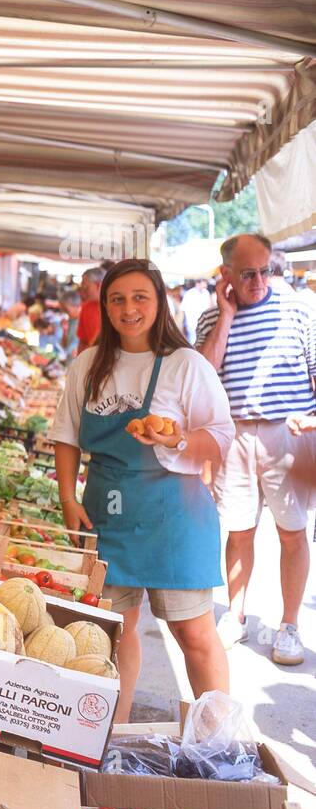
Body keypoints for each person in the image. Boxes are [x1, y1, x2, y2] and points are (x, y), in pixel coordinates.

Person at [52, 259, 234, 724]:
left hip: (175, 516)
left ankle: (217, 740)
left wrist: (174, 438)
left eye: (139, 298)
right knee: (114, 630)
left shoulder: (186, 365)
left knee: (194, 634)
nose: (128, 309)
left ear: (160, 302)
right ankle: (112, 731)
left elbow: (220, 437)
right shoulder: (87, 365)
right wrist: (69, 500)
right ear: (104, 305)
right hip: (106, 514)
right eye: (117, 299)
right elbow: (67, 436)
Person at [197, 233, 316, 666]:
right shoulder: (211, 320)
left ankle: (289, 626)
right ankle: (236, 615)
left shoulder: (300, 311)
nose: (259, 281)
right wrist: (226, 315)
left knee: (292, 531)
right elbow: (204, 378)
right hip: (236, 435)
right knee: (238, 530)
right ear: (225, 275)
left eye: (266, 270)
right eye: (248, 273)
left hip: (290, 433)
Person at [75, 266, 105, 350]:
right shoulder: (85, 307)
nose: (83, 292)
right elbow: (82, 341)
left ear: (99, 285)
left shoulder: (114, 307)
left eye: (86, 287)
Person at [180, 277, 212, 343]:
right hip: (192, 325)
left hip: (204, 324)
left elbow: (209, 307)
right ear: (198, 283)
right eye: (204, 283)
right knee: (193, 343)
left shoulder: (206, 293)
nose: (205, 286)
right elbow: (183, 310)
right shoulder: (189, 294)